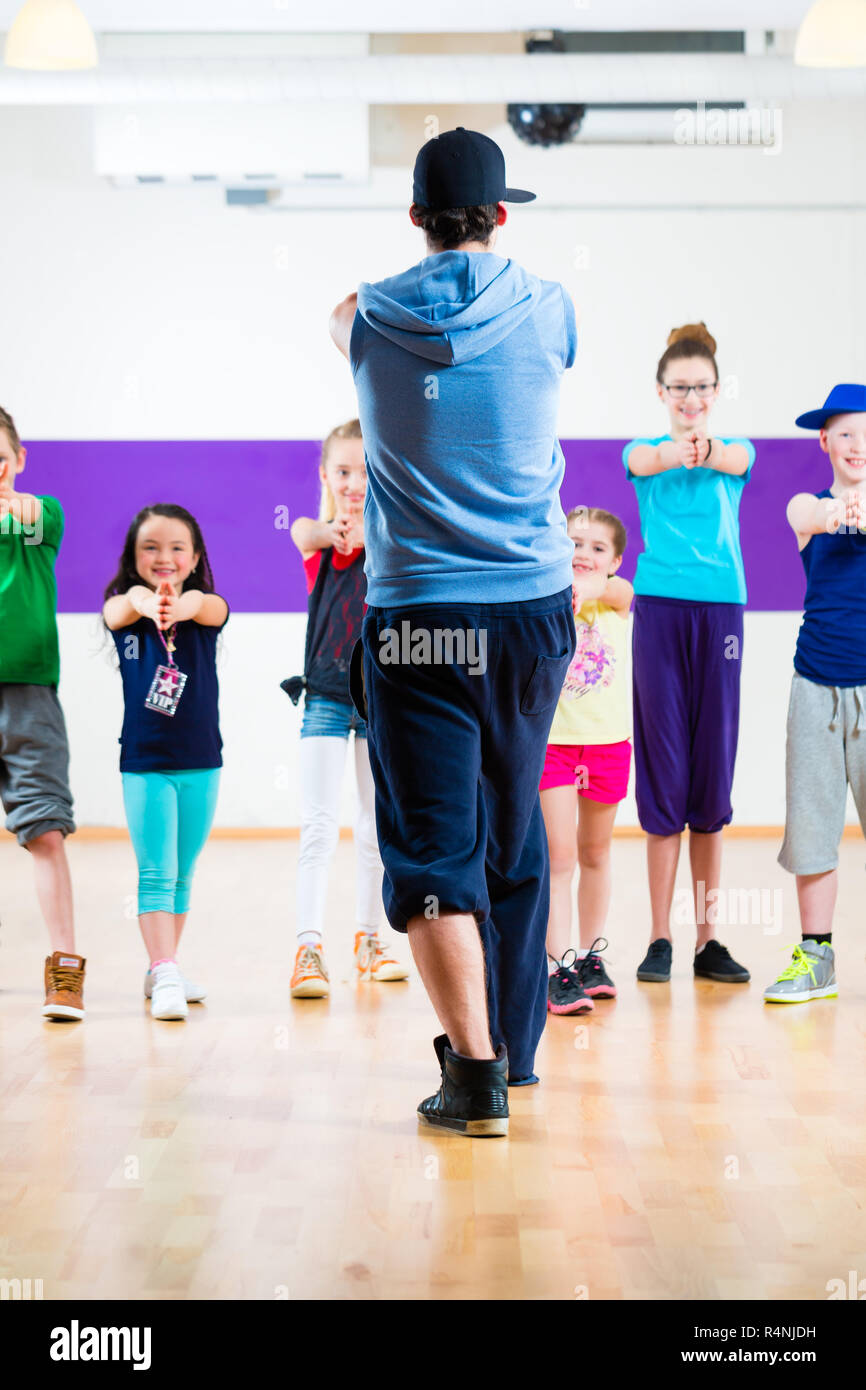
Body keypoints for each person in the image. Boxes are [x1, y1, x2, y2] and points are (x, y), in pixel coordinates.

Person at [330, 127, 577, 1137]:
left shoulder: (364, 319)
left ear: (415, 219)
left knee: (435, 847)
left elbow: (343, 312)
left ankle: (472, 1074)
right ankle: (509, 1055)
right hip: (529, 612)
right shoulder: (550, 307)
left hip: (421, 617)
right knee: (511, 831)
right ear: (500, 215)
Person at [625, 322, 754, 986]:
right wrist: (682, 449)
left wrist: (706, 448)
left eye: (701, 387)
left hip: (721, 612)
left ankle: (708, 941)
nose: (691, 398)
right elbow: (646, 462)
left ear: (716, 389)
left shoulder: (737, 451)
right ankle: (659, 939)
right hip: (659, 614)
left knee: (711, 781)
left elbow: (731, 459)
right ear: (661, 391)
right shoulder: (643, 452)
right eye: (680, 388)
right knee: (663, 776)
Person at [285, 418, 407, 998]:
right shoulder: (320, 539)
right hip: (327, 699)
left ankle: (368, 938)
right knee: (317, 825)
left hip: (380, 702)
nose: (355, 483)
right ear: (326, 476)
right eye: (343, 472)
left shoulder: (394, 538)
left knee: (374, 828)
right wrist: (331, 528)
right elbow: (303, 533)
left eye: (366, 471)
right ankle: (308, 948)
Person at [103, 504, 228, 1021]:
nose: (164, 556)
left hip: (202, 760)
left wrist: (182, 604)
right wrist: (143, 598)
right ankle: (165, 966)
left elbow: (209, 606)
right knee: (155, 870)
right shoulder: (124, 611)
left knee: (183, 871)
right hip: (146, 762)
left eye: (177, 547)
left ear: (195, 556)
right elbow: (119, 608)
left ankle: (164, 969)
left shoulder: (204, 608)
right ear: (133, 557)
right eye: (150, 547)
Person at [766, 383, 866, 1004]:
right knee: (811, 829)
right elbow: (803, 516)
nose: (858, 445)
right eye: (847, 433)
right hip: (815, 688)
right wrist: (840, 513)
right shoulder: (809, 503)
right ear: (825, 441)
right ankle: (817, 959)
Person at [0, 405, 83, 1020]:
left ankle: (65, 972)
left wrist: (15, 501)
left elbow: (28, 516)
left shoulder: (38, 516)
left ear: (19, 460)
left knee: (45, 830)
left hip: (30, 695)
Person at [541, 506, 632, 1016]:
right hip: (554, 744)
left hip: (607, 744)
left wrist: (593, 587)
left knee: (596, 853)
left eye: (597, 548)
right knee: (561, 858)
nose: (584, 554)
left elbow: (618, 592)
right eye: (575, 543)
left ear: (615, 559)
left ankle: (592, 958)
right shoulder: (549, 595)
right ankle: (558, 966)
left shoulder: (615, 598)